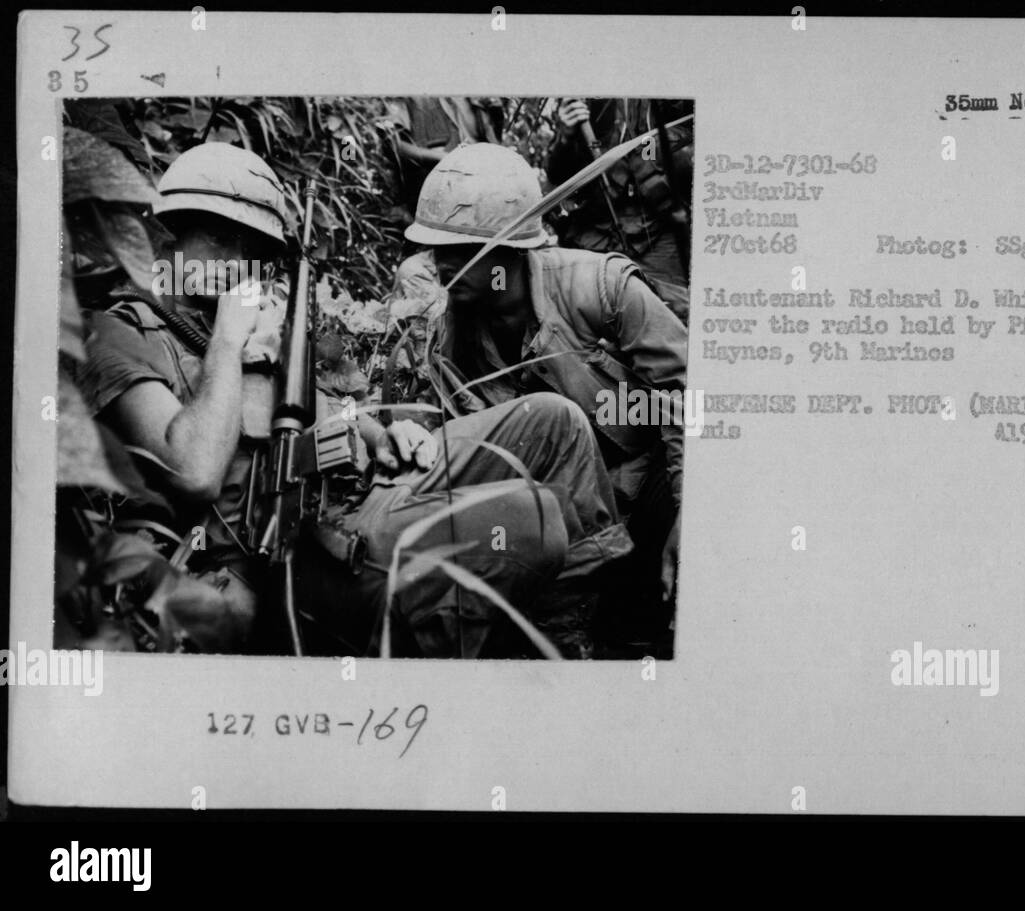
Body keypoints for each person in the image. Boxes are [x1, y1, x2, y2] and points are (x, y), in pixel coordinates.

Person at [77, 141, 631, 658]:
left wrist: (379, 431)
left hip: (344, 508)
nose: (238, 263)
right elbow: (192, 472)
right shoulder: (118, 334)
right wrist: (228, 344)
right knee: (532, 517)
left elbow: (319, 409)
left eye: (252, 250)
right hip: (274, 563)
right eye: (220, 239)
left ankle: (572, 635)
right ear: (165, 238)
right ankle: (445, 659)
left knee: (551, 420)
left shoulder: (239, 327)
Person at [405, 143, 688, 655]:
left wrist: (689, 514)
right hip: (563, 513)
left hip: (649, 483)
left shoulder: (600, 287)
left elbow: (688, 395)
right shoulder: (450, 336)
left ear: (509, 250)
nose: (441, 266)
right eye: (435, 250)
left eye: (459, 251)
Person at [545, 98, 693, 322]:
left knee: (672, 319)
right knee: (595, 320)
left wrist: (652, 154)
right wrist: (565, 136)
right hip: (597, 235)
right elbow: (557, 174)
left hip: (659, 233)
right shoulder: (587, 96)